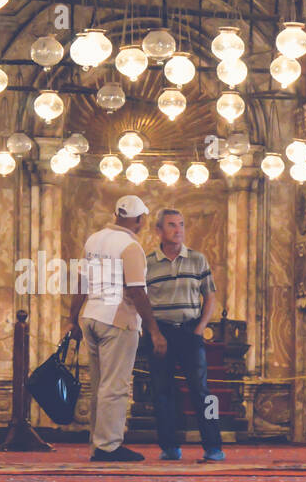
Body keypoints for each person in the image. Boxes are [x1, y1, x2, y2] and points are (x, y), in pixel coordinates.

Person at [67, 195, 166, 462]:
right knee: (115, 385)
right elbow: (136, 290)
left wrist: (72, 317)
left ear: (116, 214)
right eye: (143, 218)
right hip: (116, 320)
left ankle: (98, 443)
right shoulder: (130, 247)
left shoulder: (93, 240)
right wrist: (154, 330)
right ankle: (108, 445)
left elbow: (81, 282)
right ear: (138, 219)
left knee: (101, 384)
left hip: (91, 317)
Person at [144, 207, 224, 462]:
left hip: (190, 331)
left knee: (203, 392)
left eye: (181, 224)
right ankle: (169, 447)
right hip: (160, 333)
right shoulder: (147, 263)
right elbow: (142, 301)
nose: (178, 230)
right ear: (159, 230)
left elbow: (210, 296)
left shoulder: (197, 259)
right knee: (162, 392)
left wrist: (199, 329)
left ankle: (214, 447)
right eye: (171, 225)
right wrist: (154, 333)